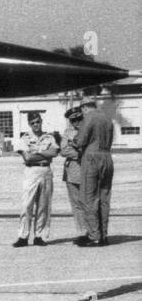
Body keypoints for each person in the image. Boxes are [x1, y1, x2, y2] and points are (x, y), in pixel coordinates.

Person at [13, 112, 58, 247]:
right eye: (33, 123)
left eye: (37, 122)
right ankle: (23, 236)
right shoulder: (25, 138)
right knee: (27, 205)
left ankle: (39, 236)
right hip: (31, 172)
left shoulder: (49, 137)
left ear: (41, 121)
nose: (36, 125)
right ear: (29, 124)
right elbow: (27, 158)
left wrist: (36, 154)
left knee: (43, 206)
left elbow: (54, 152)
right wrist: (45, 154)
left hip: (46, 171)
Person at [74, 99, 114, 246]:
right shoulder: (107, 118)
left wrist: (75, 140)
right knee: (104, 198)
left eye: (82, 109)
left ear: (85, 107)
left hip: (91, 157)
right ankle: (104, 235)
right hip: (107, 157)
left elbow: (80, 141)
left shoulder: (88, 118)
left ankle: (93, 235)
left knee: (88, 197)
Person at [60, 106, 87, 241]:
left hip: (87, 171)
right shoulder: (67, 132)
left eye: (78, 118)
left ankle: (93, 231)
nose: (76, 122)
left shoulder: (88, 129)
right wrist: (79, 153)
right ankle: (82, 232)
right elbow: (63, 150)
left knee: (88, 203)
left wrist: (76, 150)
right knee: (76, 204)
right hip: (71, 172)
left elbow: (89, 148)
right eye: (73, 120)